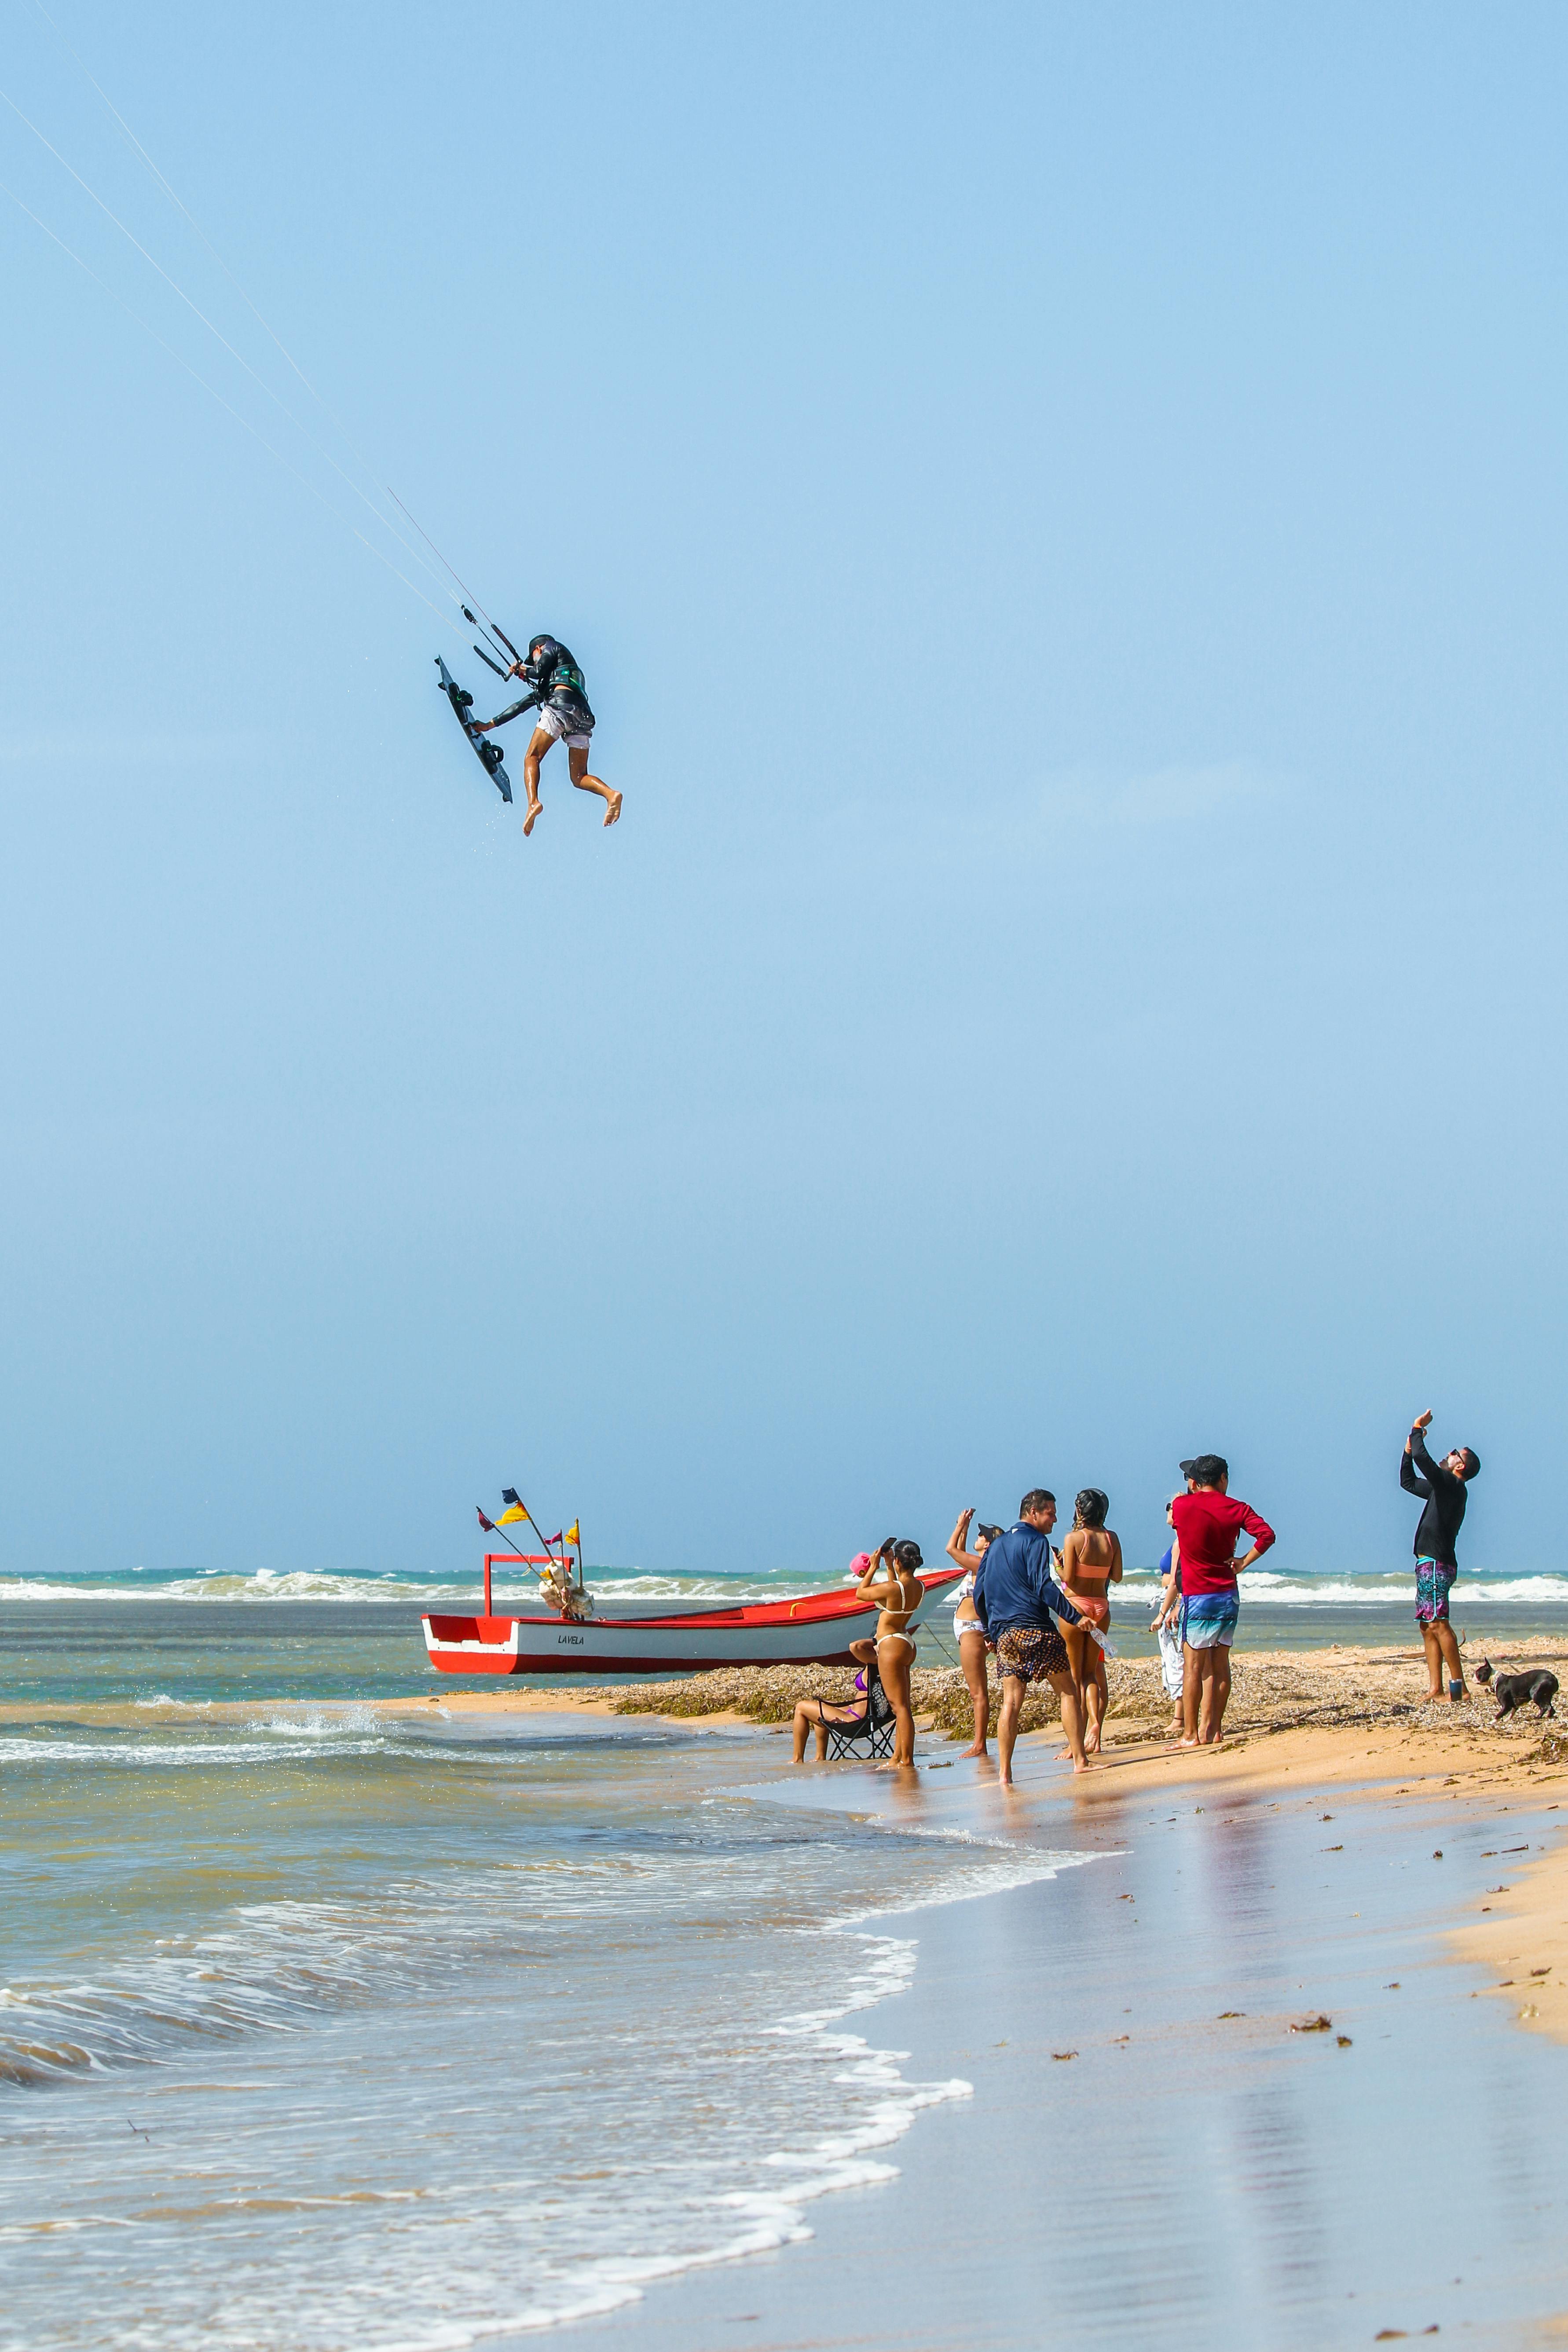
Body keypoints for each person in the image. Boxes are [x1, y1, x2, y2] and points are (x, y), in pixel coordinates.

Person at [972, 1490, 1106, 1785]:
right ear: (1033, 1513)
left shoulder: (995, 1546)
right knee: (1069, 1692)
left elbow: (980, 1593)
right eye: (1050, 1513)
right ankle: (1080, 1761)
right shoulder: (1036, 1541)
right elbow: (1043, 1586)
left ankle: (1005, 1773)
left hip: (1006, 1635)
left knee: (1011, 1703)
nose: (1055, 1519)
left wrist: (990, 1631)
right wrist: (1074, 1616)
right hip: (1036, 1630)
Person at [1170, 1455, 1274, 1748]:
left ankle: (1191, 1734)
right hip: (1227, 1593)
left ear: (1195, 1481)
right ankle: (1213, 1729)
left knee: (1192, 1667)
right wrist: (1243, 1561)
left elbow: (1179, 1519)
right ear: (1223, 1479)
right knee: (1220, 1664)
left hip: (1197, 1594)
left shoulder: (1182, 1505)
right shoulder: (1237, 1508)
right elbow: (1267, 1535)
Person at [471, 634, 622, 837]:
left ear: (538, 649)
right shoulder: (557, 676)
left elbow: (538, 669)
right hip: (582, 717)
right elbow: (521, 705)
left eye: (533, 656)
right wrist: (490, 725)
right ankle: (611, 795)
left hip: (561, 707)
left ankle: (533, 803)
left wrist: (523, 669)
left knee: (532, 758)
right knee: (579, 777)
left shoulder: (553, 647)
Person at [1400, 1410, 1481, 1703]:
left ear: (1460, 1465)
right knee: (1427, 1625)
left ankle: (1460, 1691)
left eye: (1454, 1453)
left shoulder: (1454, 1485)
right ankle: (1436, 1688)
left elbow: (1427, 1462)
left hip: (1437, 1562)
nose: (1448, 1454)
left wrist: (1417, 1429)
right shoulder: (1442, 1490)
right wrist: (1408, 1451)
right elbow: (1408, 1482)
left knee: (1440, 1623)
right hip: (1427, 1562)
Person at [1057, 1490, 1123, 1755]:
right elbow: (1116, 1576)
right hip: (1101, 1607)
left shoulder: (1074, 1538)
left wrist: (1057, 1565)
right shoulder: (1112, 1538)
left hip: (1076, 1606)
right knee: (1091, 1672)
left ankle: (1076, 1744)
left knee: (1074, 1679)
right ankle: (1095, 1724)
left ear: (1079, 1510)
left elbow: (1070, 1579)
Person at [854, 1539, 926, 1766]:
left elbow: (861, 1593)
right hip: (906, 1641)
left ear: (898, 1561)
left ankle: (907, 1759)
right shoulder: (919, 1586)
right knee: (904, 1705)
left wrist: (873, 1567)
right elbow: (898, 1595)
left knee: (900, 1707)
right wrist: (889, 1567)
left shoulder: (893, 1588)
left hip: (890, 1644)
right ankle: (899, 1756)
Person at [945, 1508, 1002, 1756]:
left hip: (973, 1630)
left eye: (981, 1535)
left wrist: (960, 1525)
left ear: (988, 1543)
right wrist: (965, 1527)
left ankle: (980, 1744)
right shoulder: (979, 1564)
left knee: (978, 1691)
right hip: (968, 1629)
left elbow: (951, 1550)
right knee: (977, 1690)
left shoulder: (983, 1564)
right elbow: (958, 1553)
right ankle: (980, 1743)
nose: (978, 1537)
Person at [1150, 1499, 1185, 1734]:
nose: (1168, 1510)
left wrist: (1168, 1610)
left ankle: (1180, 1718)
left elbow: (1179, 1580)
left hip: (1178, 1601)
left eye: (1170, 1505)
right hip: (1172, 1599)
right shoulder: (1177, 1541)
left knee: (1178, 1660)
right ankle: (1180, 1716)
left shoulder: (1182, 1542)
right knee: (1173, 1659)